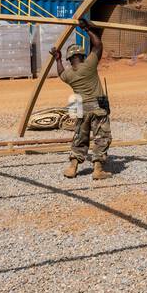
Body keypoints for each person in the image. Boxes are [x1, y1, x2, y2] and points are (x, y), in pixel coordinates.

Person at [52, 19, 111, 180]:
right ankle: (97, 169)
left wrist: (57, 59)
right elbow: (98, 46)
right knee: (101, 137)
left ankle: (73, 167)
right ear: (82, 56)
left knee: (80, 136)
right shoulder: (89, 65)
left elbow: (60, 73)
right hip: (98, 107)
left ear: (69, 59)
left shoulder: (69, 75)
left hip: (80, 108)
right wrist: (87, 30)